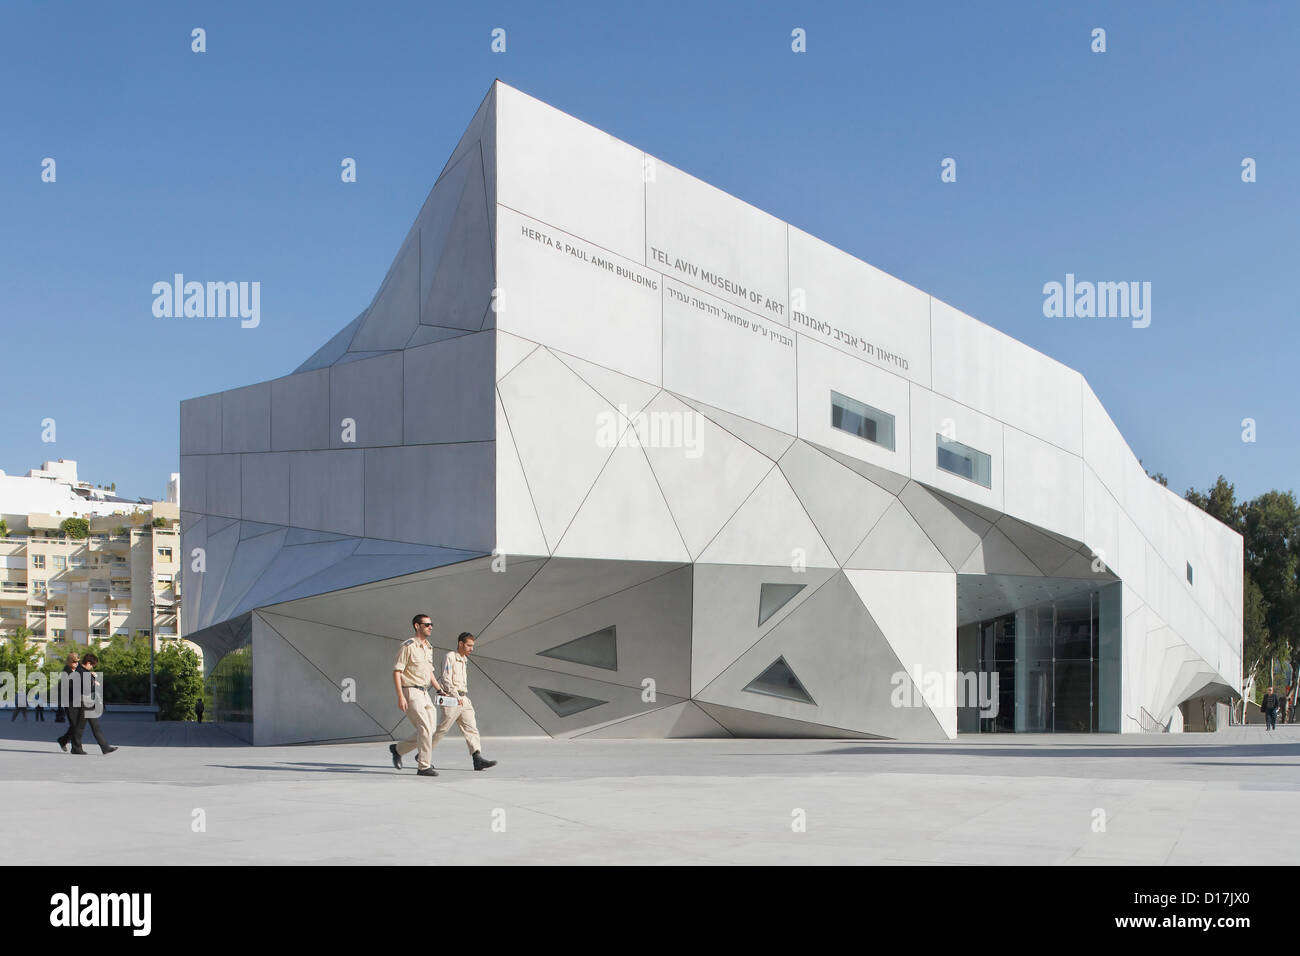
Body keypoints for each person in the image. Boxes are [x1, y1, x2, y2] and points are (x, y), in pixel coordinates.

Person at [389, 613, 449, 777]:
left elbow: (429, 671)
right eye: (427, 624)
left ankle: (398, 749)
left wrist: (438, 688)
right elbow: (397, 671)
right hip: (410, 690)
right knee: (423, 727)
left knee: (429, 730)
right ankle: (424, 766)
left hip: (425, 692)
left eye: (431, 624)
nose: (430, 627)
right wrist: (400, 696)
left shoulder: (429, 647)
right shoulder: (407, 646)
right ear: (417, 626)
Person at [429, 633, 497, 771]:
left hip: (463, 698)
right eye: (469, 645)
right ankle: (423, 754)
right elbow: (446, 679)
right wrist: (456, 696)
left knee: (471, 728)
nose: (471, 649)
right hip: (452, 700)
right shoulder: (450, 657)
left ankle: (477, 758)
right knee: (442, 729)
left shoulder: (464, 659)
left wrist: (463, 697)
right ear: (460, 644)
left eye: (472, 646)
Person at [62, 654, 117, 755]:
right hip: (82, 702)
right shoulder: (80, 672)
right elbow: (85, 689)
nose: (92, 667)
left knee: (93, 725)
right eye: (92, 665)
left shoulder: (82, 671)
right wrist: (94, 683)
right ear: (88, 663)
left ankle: (105, 747)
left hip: (85, 702)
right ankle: (75, 747)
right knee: (79, 726)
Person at [54, 651, 78, 723]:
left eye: (77, 661)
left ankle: (71, 732)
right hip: (68, 697)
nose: (76, 663)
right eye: (74, 661)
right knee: (73, 719)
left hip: (75, 697)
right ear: (69, 662)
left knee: (76, 722)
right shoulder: (66, 671)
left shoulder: (78, 669)